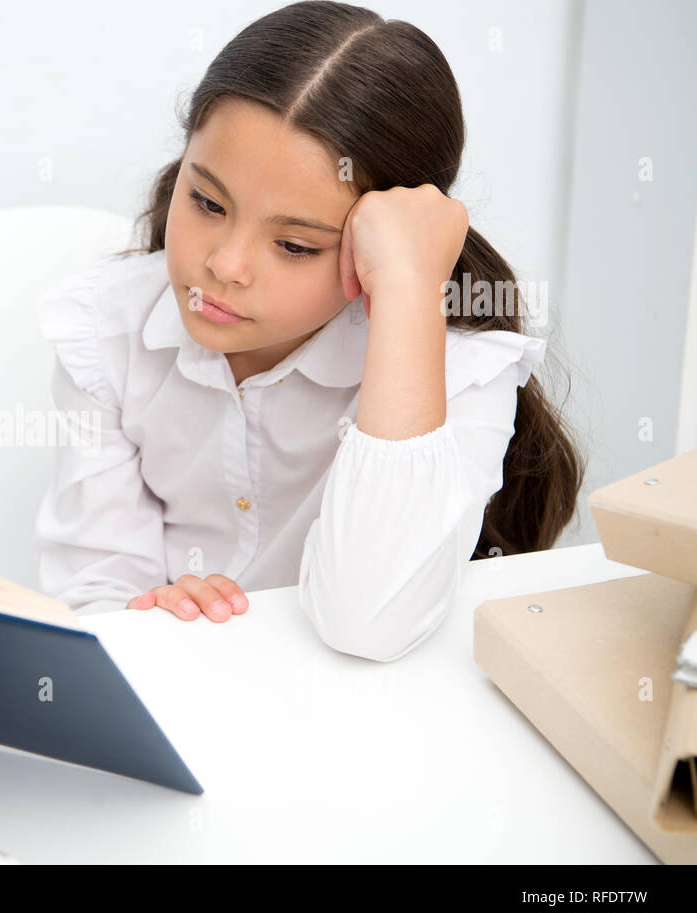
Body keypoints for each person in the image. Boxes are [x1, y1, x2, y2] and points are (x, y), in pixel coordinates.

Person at [30, 1, 584, 662]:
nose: (225, 266)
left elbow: (370, 623)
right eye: (207, 202)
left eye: (294, 245)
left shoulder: (462, 366)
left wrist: (408, 290)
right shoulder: (106, 328)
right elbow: (95, 594)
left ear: (378, 241)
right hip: (182, 695)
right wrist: (149, 610)